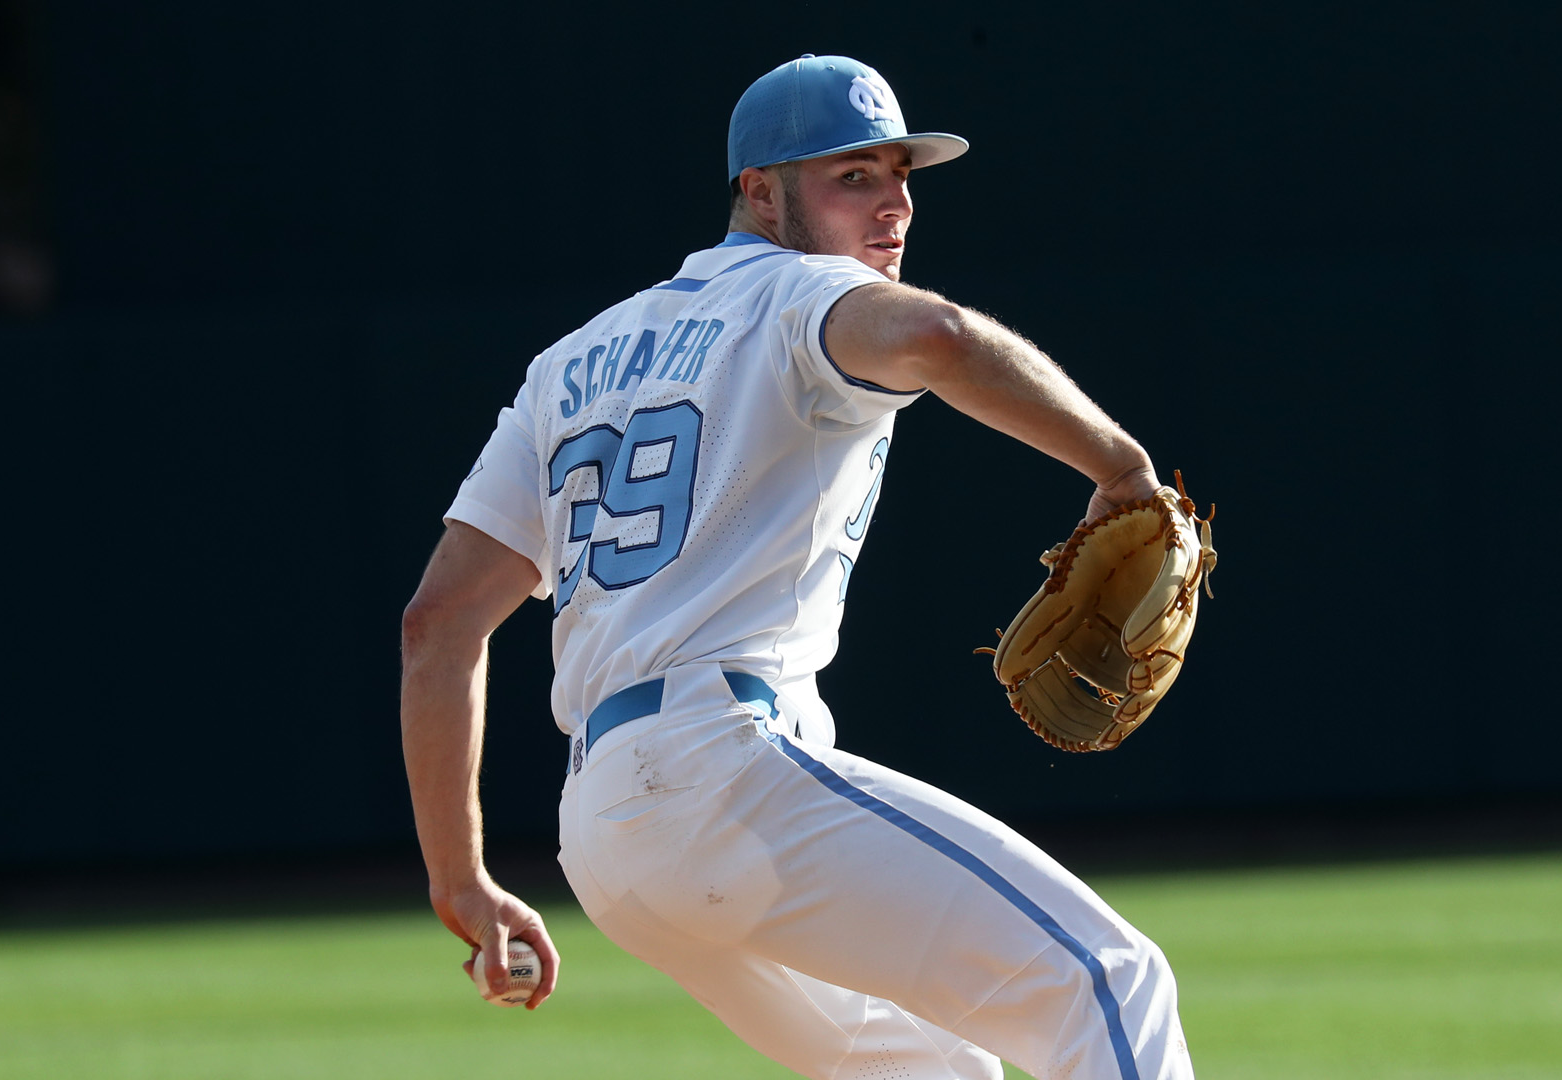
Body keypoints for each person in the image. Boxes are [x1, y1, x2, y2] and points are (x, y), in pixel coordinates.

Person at [400, 55, 1196, 1080]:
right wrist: (1120, 468)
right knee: (1107, 981)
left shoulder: (567, 367)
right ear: (759, 192)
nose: (894, 206)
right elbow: (941, 336)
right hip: (720, 766)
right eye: (852, 177)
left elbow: (439, 623)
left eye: (903, 176)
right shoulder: (798, 297)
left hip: (605, 832)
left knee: (929, 1070)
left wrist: (459, 880)